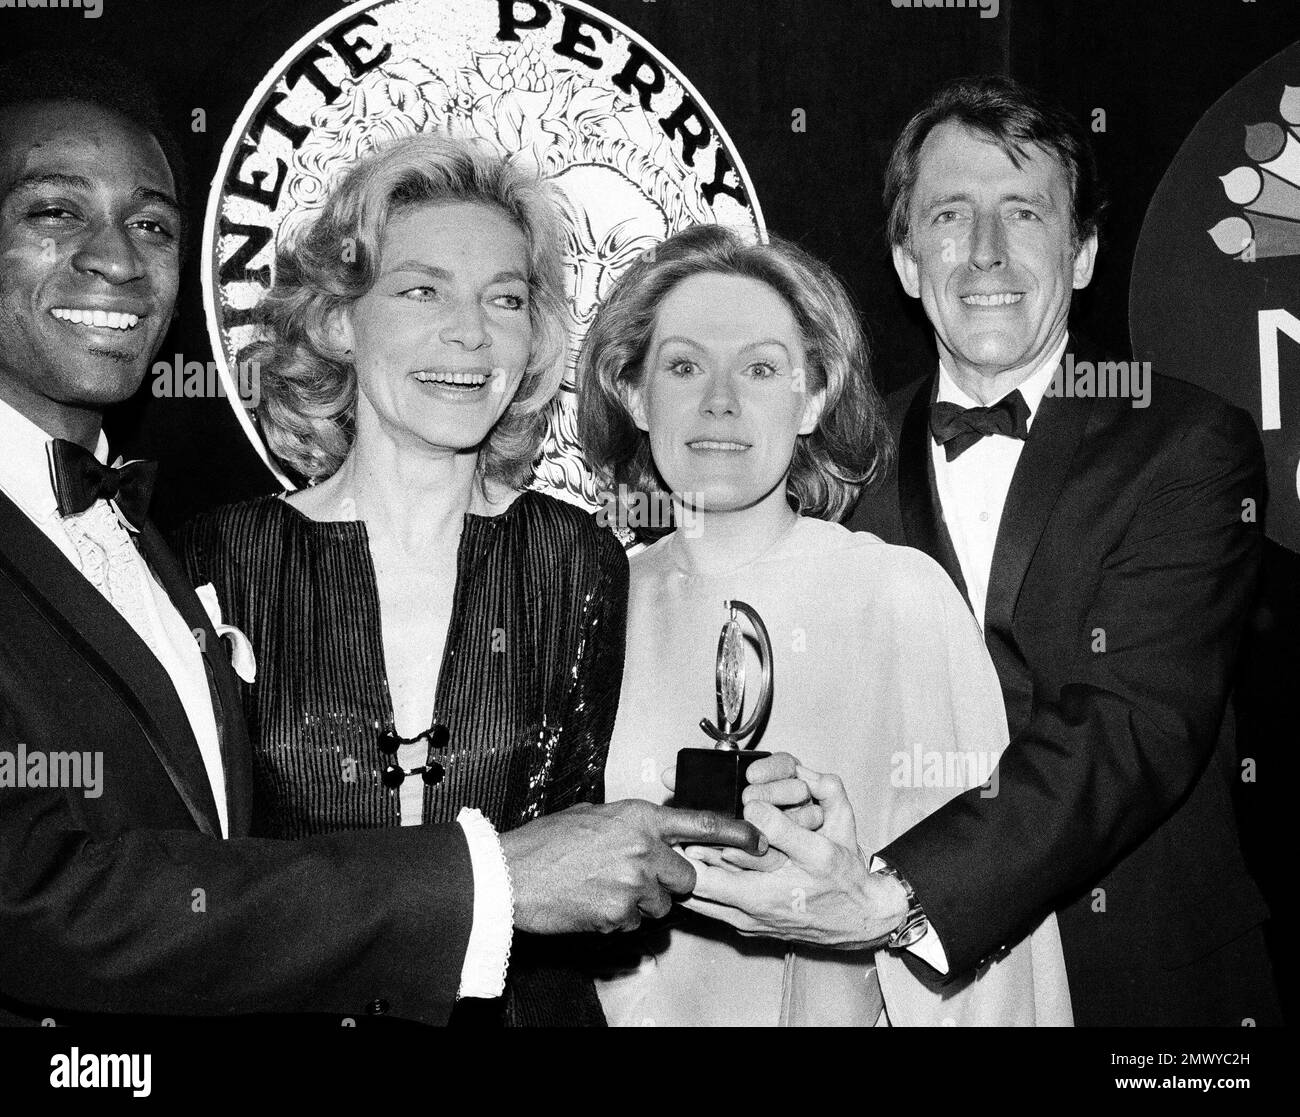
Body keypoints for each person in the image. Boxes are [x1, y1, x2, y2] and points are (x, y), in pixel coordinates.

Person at [0, 54, 758, 1028]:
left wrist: (731, 807)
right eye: (421, 291)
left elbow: (607, 851)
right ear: (339, 319)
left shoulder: (578, 559)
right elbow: (103, 886)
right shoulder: (211, 555)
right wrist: (488, 878)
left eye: (504, 298)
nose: (469, 336)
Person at [712, 75, 1279, 1027]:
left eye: (1023, 213)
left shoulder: (1191, 444)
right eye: (949, 216)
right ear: (903, 256)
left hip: (1142, 988)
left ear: (1085, 251)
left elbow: (1136, 727)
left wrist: (895, 899)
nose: (984, 253)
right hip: (899, 998)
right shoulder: (835, 468)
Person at [576, 222, 1071, 1026]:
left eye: (762, 368)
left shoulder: (900, 598)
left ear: (811, 398)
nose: (721, 401)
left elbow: (990, 944)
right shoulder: (597, 605)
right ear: (634, 393)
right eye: (684, 365)